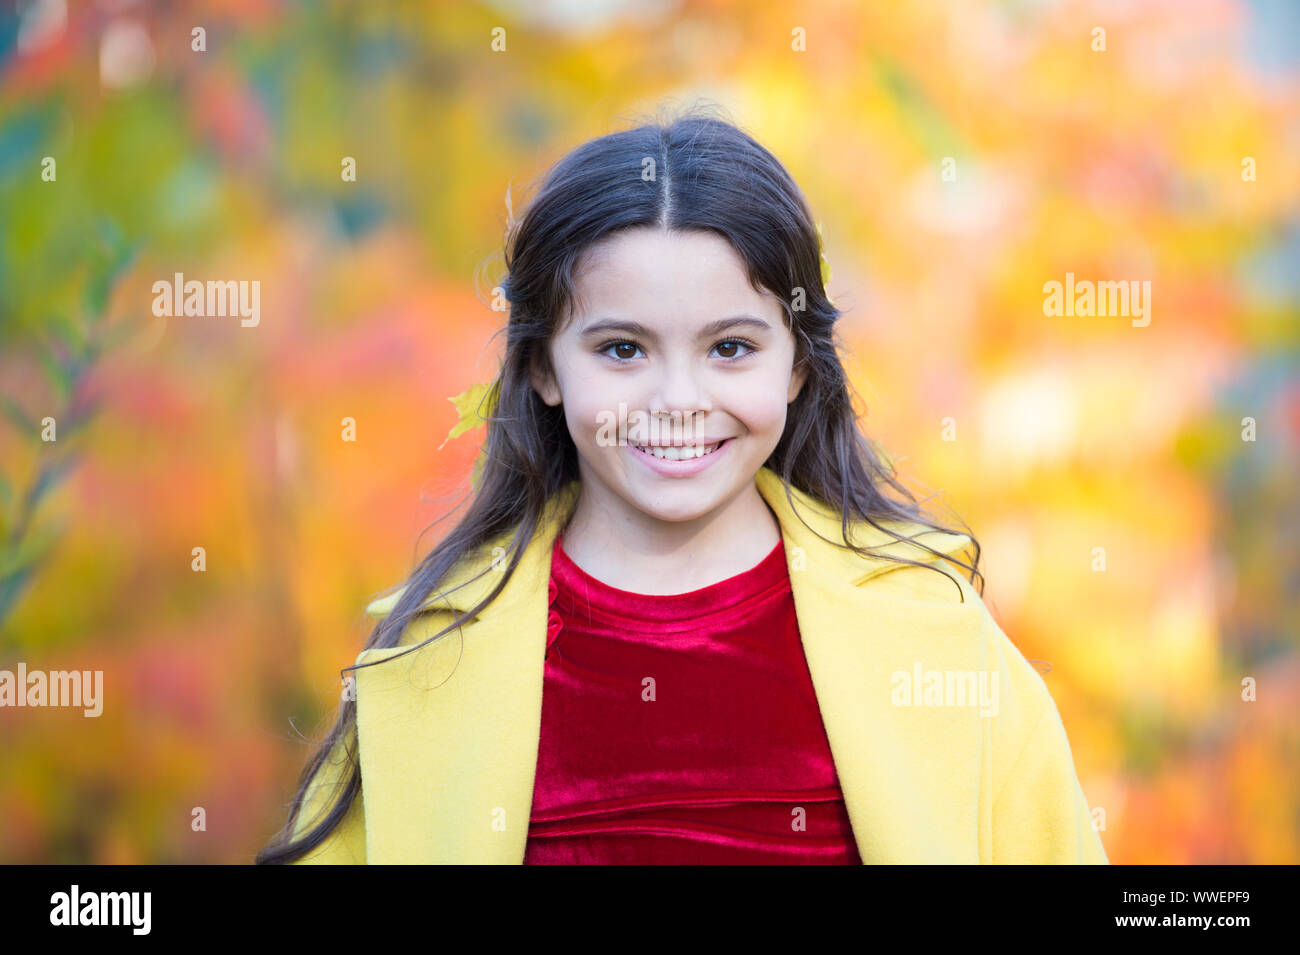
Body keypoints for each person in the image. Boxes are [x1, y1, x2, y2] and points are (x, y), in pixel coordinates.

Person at [257, 103, 1108, 865]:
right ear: (544, 367)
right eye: (622, 349)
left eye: (730, 347)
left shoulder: (930, 635)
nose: (676, 402)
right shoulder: (433, 659)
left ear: (799, 367)